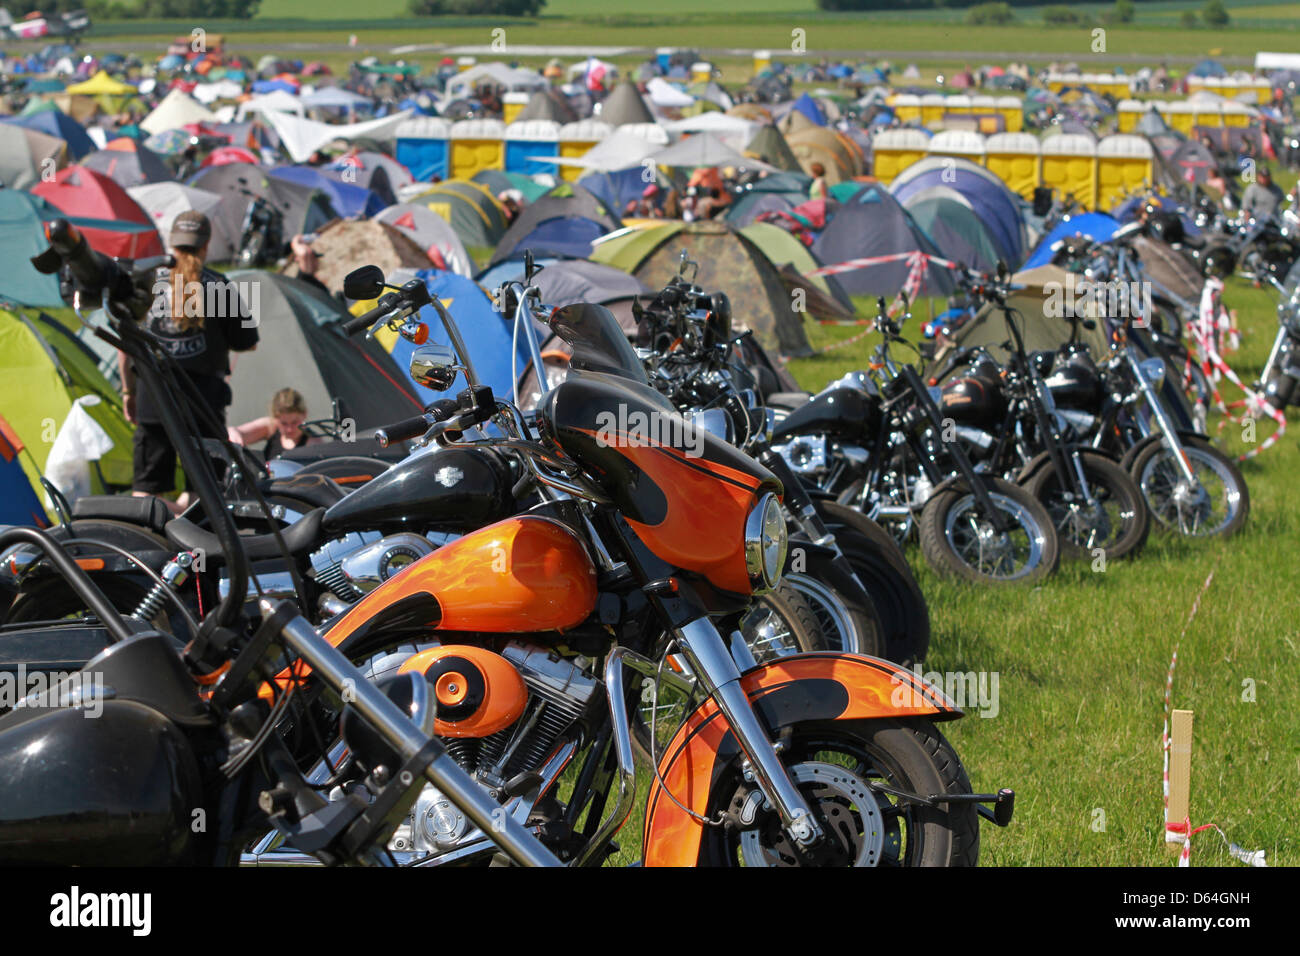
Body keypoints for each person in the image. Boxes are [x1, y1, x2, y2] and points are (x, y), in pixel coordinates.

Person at [120, 211, 258, 515]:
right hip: (203, 402)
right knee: (205, 491)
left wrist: (128, 391)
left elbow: (125, 342)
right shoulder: (219, 286)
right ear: (206, 245)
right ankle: (198, 546)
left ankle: (149, 541)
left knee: (145, 490)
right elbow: (248, 342)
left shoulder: (144, 283)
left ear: (171, 243)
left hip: (152, 399)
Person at [229, 388, 317, 460]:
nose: (289, 429)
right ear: (275, 419)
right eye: (284, 423)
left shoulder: (314, 444)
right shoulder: (271, 427)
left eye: (294, 422)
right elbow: (233, 431)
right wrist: (236, 438)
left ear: (304, 414)